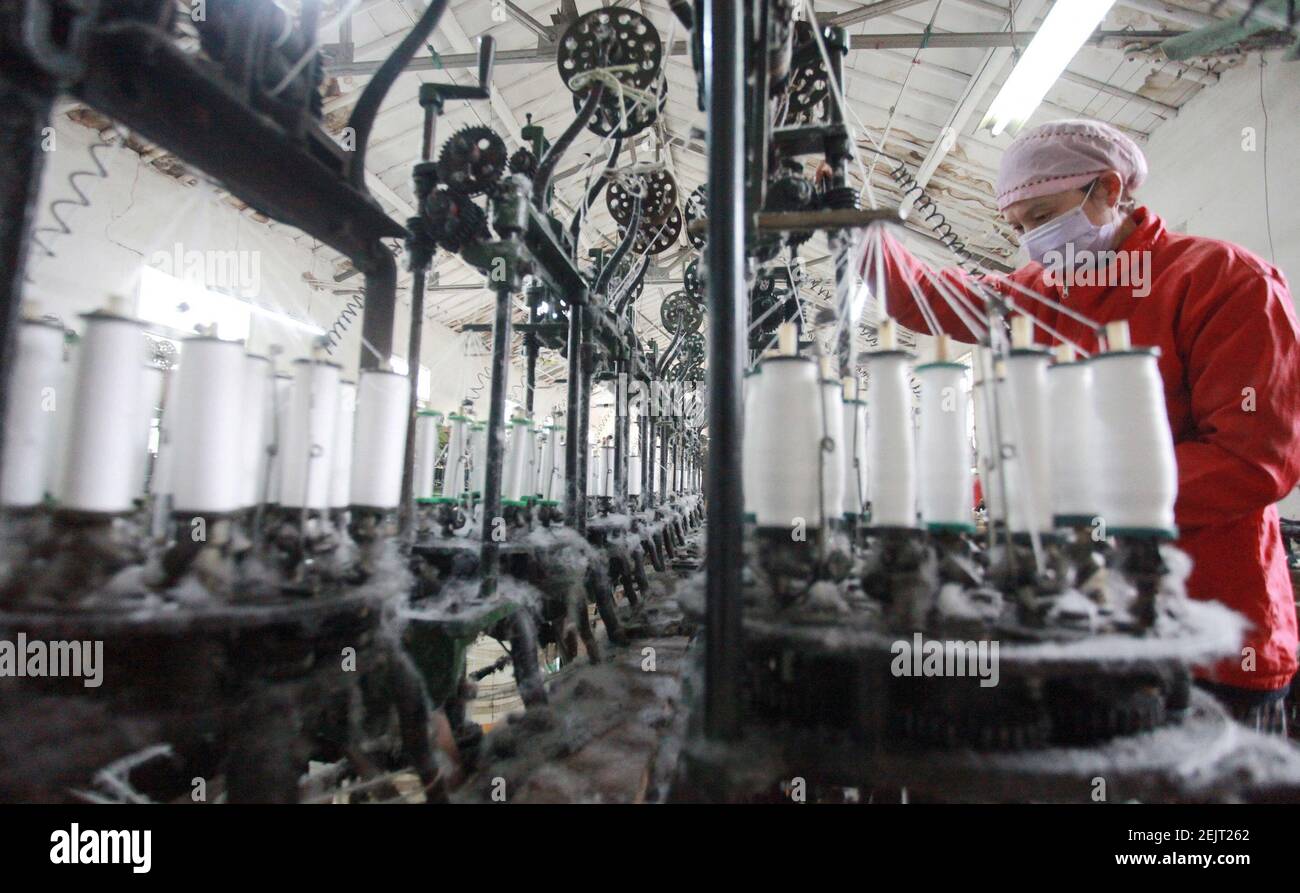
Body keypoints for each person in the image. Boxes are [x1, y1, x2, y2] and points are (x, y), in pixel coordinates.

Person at [871, 118, 1300, 732]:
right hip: (1076, 628)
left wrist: (1067, 498)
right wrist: (859, 239)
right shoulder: (1045, 291)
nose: (1033, 243)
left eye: (1043, 216)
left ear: (1107, 188)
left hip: (1211, 634)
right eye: (1020, 228)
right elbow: (935, 294)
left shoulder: (1224, 282)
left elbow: (1256, 462)